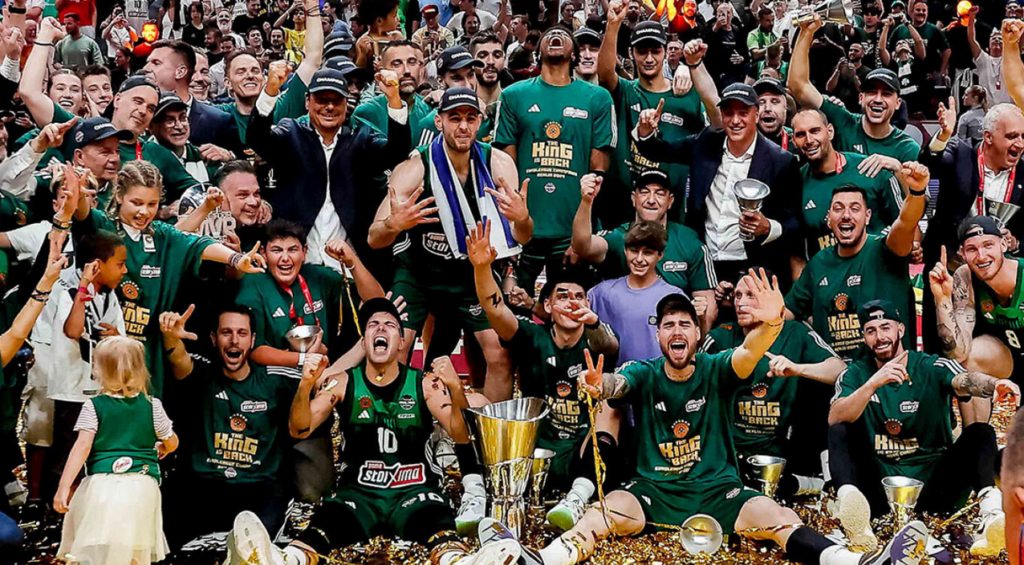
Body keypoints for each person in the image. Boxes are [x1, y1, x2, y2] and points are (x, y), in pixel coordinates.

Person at [510, 280, 931, 565]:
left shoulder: (716, 367)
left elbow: (748, 356)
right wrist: (599, 385)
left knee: (779, 517)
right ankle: (542, 559)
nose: (678, 331)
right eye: (669, 324)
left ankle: (851, 560)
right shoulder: (645, 370)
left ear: (697, 334)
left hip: (719, 490)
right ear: (659, 335)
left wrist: (769, 325)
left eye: (685, 324)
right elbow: (618, 385)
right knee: (600, 516)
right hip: (653, 490)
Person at [224, 298, 509, 565]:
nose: (381, 329)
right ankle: (278, 560)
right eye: (373, 325)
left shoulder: (424, 384)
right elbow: (299, 428)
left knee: (442, 535)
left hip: (413, 491)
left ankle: (465, 562)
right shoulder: (342, 382)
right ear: (365, 341)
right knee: (318, 532)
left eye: (389, 325)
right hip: (359, 493)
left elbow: (460, 433)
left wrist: (456, 389)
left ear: (400, 342)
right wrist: (305, 386)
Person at [370, 88, 528, 402]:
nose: (463, 126)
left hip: (472, 274)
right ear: (439, 121)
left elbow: (522, 237)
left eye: (470, 118)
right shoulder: (415, 167)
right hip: (418, 272)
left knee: (500, 354)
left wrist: (522, 218)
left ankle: (491, 439)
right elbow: (374, 238)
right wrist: (393, 224)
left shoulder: (498, 164)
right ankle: (398, 434)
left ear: (481, 122)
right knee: (394, 348)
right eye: (454, 118)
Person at [828, 299, 1016, 555]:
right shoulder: (856, 373)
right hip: (880, 491)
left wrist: (994, 384)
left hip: (934, 489)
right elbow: (835, 417)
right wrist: (872, 384)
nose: (880, 336)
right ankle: (856, 521)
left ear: (901, 330)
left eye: (886, 327)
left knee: (980, 432)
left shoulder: (930, 365)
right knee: (840, 429)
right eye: (871, 330)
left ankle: (992, 515)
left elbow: (963, 380)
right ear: (863, 336)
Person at [467, 220, 619, 533]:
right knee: (476, 400)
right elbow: (495, 310)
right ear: (547, 305)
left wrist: (592, 323)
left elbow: (611, 346)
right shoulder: (532, 336)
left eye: (579, 297)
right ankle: (489, 493)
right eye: (563, 296)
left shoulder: (597, 337)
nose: (572, 301)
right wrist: (482, 268)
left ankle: (579, 496)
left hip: (584, 455)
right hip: (536, 455)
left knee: (611, 406)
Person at [68, 160, 266, 398]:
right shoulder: (103, 226)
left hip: (148, 356)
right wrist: (78, 194)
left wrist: (236, 259)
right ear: (119, 196)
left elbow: (198, 244)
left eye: (152, 204)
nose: (144, 212)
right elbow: (82, 215)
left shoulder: (162, 235)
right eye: (137, 203)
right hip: (96, 355)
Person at [632, 82, 800, 287]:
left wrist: (768, 227)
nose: (735, 120)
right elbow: (659, 151)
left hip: (753, 266)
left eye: (743, 113)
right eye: (729, 113)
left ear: (756, 115)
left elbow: (795, 225)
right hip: (705, 262)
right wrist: (646, 131)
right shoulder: (707, 141)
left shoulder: (781, 161)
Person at [160, 304, 302, 544]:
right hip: (204, 485)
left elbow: (321, 380)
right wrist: (170, 336)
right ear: (214, 339)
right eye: (227, 332)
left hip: (259, 488)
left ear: (253, 339)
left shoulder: (276, 380)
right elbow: (178, 360)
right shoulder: (202, 373)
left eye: (242, 333)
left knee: (256, 553)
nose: (234, 340)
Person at [247, 66, 412, 273]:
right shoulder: (292, 132)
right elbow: (257, 139)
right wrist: (271, 91)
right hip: (297, 264)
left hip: (349, 266)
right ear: (307, 102)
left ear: (346, 104)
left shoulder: (362, 136)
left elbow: (396, 153)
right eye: (322, 100)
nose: (329, 107)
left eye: (336, 101)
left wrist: (394, 100)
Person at [493, 26, 614, 295]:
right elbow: (504, 168)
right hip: (525, 231)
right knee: (517, 314)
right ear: (537, 51)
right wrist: (510, 231)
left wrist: (582, 240)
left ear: (575, 53)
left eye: (562, 34)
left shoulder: (597, 98)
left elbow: (599, 170)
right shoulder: (513, 96)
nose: (554, 36)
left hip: (570, 234)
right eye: (548, 34)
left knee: (569, 314)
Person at [702, 270, 844, 499]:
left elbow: (839, 370)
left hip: (782, 452)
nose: (741, 302)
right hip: (728, 453)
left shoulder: (796, 332)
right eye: (738, 295)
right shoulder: (720, 337)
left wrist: (799, 369)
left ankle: (810, 483)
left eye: (751, 295)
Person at [53, 337, 178, 565]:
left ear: (98, 370)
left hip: (102, 487)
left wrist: (63, 487)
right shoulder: (153, 406)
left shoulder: (93, 406)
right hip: (141, 488)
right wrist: (164, 447)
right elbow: (172, 440)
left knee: (98, 550)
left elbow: (82, 447)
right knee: (134, 552)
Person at [785, 163, 928, 360]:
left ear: (867, 217)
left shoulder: (887, 249)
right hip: (837, 379)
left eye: (855, 208)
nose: (846, 215)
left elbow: (906, 222)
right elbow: (788, 313)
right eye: (838, 208)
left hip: (890, 376)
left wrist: (917, 192)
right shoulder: (818, 263)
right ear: (829, 219)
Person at [599, 7, 711, 226]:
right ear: (631, 53)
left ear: (665, 51)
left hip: (673, 211)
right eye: (642, 51)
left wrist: (690, 68)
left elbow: (713, 132)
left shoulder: (688, 95)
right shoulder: (625, 91)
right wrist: (613, 26)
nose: (649, 58)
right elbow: (604, 74)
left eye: (655, 51)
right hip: (623, 209)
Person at [571, 169, 718, 332]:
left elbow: (707, 306)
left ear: (670, 201)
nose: (651, 200)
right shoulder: (619, 236)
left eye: (660, 194)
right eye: (644, 192)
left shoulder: (690, 242)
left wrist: (695, 345)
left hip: (675, 336)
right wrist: (586, 201)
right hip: (622, 334)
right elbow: (582, 246)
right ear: (634, 198)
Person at [788, 15, 921, 163]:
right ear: (861, 98)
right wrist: (807, 32)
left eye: (886, 94)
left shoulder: (907, 148)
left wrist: (895, 168)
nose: (878, 99)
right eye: (871, 92)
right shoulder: (843, 121)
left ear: (898, 103)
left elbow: (916, 185)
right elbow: (798, 85)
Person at [931, 217, 1024, 421]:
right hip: (1008, 357)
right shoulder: (965, 276)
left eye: (988, 245)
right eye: (972, 249)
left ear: (1004, 244)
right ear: (963, 254)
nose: (981, 256)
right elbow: (958, 353)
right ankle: (977, 441)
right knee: (967, 361)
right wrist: (943, 300)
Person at [790, 108, 903, 259]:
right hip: (828, 276)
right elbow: (797, 249)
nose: (809, 140)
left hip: (877, 268)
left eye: (815, 131)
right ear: (793, 141)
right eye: (801, 135)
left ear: (830, 131)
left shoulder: (870, 169)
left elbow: (904, 223)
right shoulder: (795, 182)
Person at [587, 221, 686, 363]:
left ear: (660, 255)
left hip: (659, 380)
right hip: (618, 380)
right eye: (634, 251)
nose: (639, 259)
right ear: (625, 251)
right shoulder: (602, 293)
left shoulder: (674, 297)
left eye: (647, 253)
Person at [142, 39, 241, 153]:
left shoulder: (219, 121)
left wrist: (228, 157)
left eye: (156, 63)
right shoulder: (140, 114)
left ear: (180, 72)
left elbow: (242, 162)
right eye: (148, 62)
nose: (146, 68)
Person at [415, 45, 485, 146]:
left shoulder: (485, 114)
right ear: (441, 81)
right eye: (457, 78)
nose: (468, 85)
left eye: (470, 75)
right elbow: (422, 159)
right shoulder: (431, 122)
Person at [754, 77, 798, 155]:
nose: (767, 108)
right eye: (761, 102)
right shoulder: (742, 142)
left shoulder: (799, 140)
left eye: (775, 102)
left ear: (785, 107)